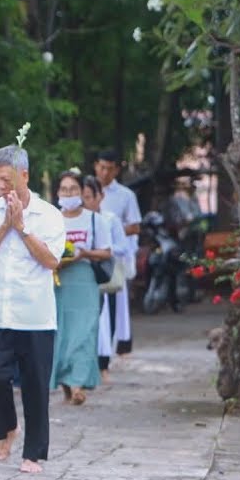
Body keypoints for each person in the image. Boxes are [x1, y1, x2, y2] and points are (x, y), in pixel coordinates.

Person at [0, 145, 65, 475]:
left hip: (34, 314)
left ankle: (33, 454)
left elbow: (52, 260)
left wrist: (21, 227)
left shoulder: (50, 215)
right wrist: (4, 227)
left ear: (25, 175)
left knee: (36, 385)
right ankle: (7, 426)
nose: (2, 187)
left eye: (7, 180)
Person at [49, 171, 111, 405]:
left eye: (74, 189)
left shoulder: (95, 220)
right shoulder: (52, 218)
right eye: (64, 190)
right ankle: (67, 383)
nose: (69, 194)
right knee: (62, 333)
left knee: (85, 332)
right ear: (57, 193)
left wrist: (84, 253)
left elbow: (106, 251)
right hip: (59, 280)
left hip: (85, 279)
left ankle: (78, 384)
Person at [93, 150, 140, 357]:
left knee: (114, 303)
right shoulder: (86, 190)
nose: (105, 172)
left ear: (116, 170)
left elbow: (135, 226)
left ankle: (111, 349)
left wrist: (112, 231)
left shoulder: (125, 195)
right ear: (96, 166)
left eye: (109, 169)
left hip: (114, 255)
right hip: (89, 253)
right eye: (101, 167)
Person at [83, 176, 128, 381]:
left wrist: (99, 250)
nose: (86, 201)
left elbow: (121, 247)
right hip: (81, 274)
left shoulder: (109, 219)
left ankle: (103, 364)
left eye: (89, 196)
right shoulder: (77, 218)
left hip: (103, 275)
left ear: (100, 196)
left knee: (104, 320)